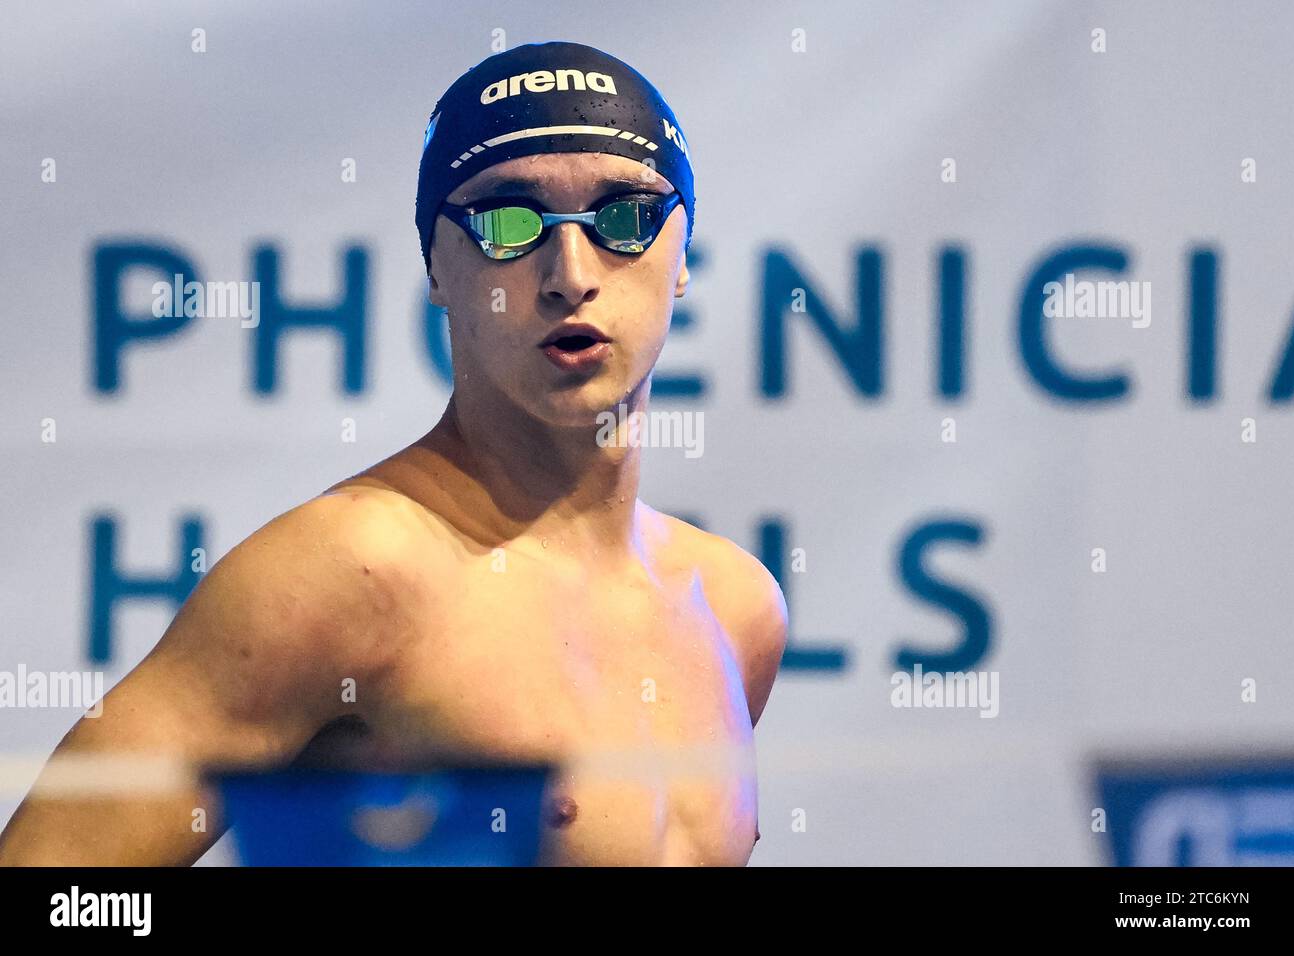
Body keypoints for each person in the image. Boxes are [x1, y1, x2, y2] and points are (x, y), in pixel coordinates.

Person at [0, 40, 787, 867]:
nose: (569, 273)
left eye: (623, 216)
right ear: (435, 268)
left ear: (684, 254)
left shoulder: (733, 609)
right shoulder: (351, 569)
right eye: (509, 223)